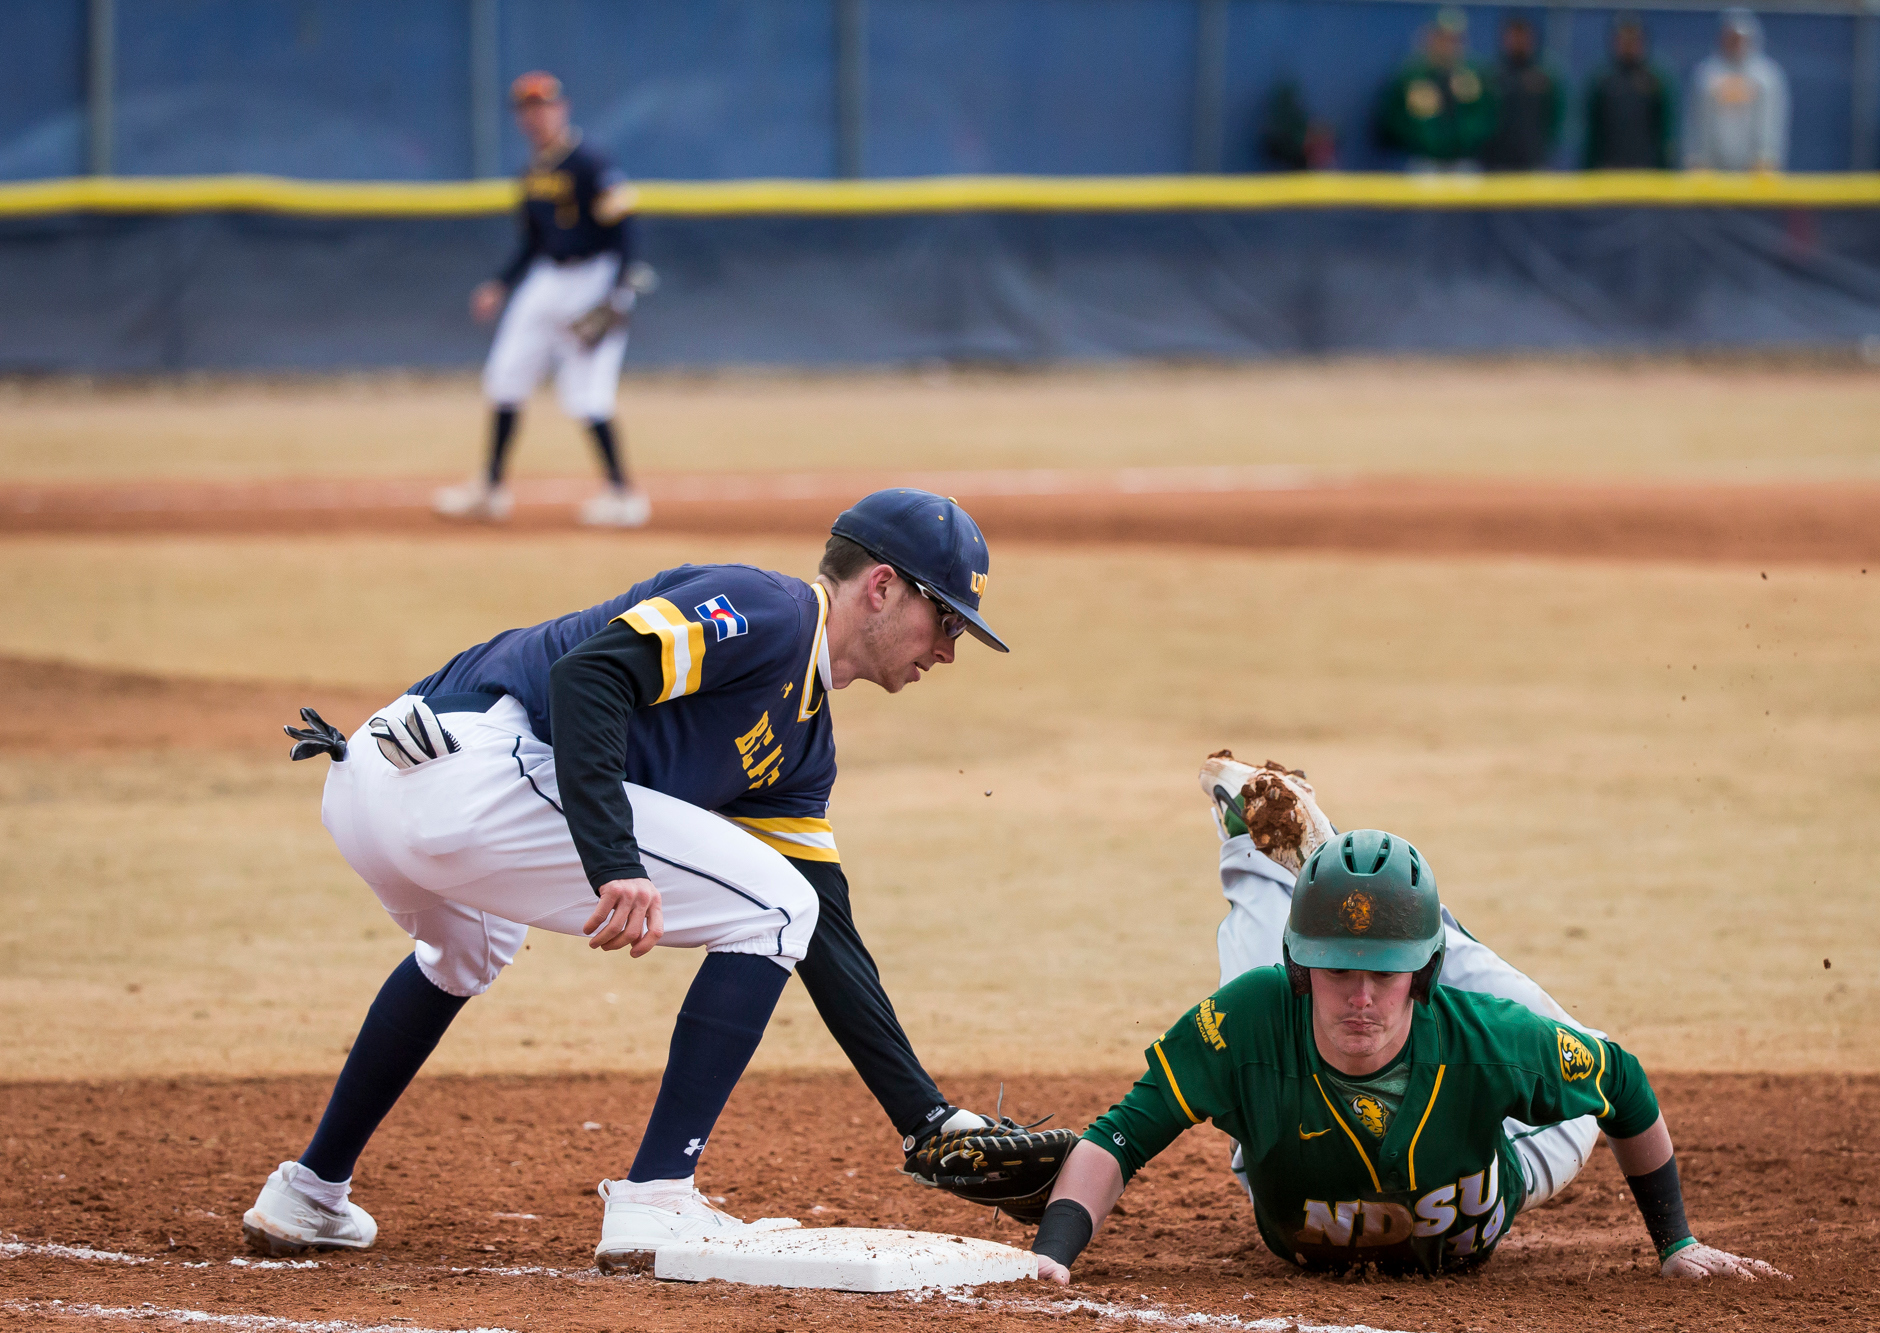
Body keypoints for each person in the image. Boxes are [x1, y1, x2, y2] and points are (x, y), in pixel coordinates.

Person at [245, 489, 1016, 1273]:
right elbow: (589, 677)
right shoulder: (773, 610)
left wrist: (925, 1116)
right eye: (946, 618)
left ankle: (309, 1190)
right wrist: (616, 861)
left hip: (387, 790)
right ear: (881, 586)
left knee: (470, 953)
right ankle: (657, 1196)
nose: (949, 648)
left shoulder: (802, 749)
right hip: (467, 767)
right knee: (776, 906)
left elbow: (827, 933)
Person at [1025, 757, 1786, 1282]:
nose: (1361, 995)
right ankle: (1263, 851)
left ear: (1422, 977)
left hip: (1505, 1155)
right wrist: (1054, 1248)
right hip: (1281, 1121)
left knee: (1577, 1068)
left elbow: (1619, 1077)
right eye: (1339, 970)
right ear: (1308, 971)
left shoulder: (1487, 1039)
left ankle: (1421, 920)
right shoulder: (1259, 1013)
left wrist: (1676, 1240)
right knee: (1261, 978)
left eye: (1385, 974)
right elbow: (1119, 1134)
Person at [435, 71, 650, 529]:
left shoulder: (590, 161)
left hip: (594, 276)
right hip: (547, 279)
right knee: (505, 375)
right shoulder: (532, 171)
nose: (536, 116)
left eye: (543, 106)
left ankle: (622, 495)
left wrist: (620, 291)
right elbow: (532, 242)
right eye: (527, 109)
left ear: (562, 108)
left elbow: (624, 224)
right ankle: (490, 489)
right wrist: (500, 283)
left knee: (587, 392)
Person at [1375, 8, 1495, 169]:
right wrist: (1421, 136)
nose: (1447, 45)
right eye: (1441, 37)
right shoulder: (1412, 75)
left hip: (1465, 160)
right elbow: (1393, 120)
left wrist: (1466, 131)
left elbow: (1488, 118)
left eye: (1453, 39)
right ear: (1429, 38)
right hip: (1423, 160)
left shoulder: (1475, 75)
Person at [1684, 10, 1788, 173]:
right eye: (1731, 38)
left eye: (1740, 39)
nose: (1736, 44)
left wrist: (1767, 155)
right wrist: (1697, 157)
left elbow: (1772, 119)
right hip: (1712, 169)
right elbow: (1696, 119)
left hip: (1755, 170)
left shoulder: (1766, 77)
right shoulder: (1707, 75)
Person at [1584, 14, 1675, 169]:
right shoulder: (1601, 80)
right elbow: (1591, 133)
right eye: (1623, 39)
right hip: (1608, 170)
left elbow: (1666, 131)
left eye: (1633, 39)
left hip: (1647, 171)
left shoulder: (1657, 81)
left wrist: (1665, 168)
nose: (1628, 46)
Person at [1483, 15, 1565, 171]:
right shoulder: (1492, 76)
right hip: (1497, 164)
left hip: (1533, 163)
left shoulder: (1545, 78)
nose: (1518, 41)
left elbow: (1555, 120)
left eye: (1523, 36)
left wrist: (1541, 149)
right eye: (1514, 36)